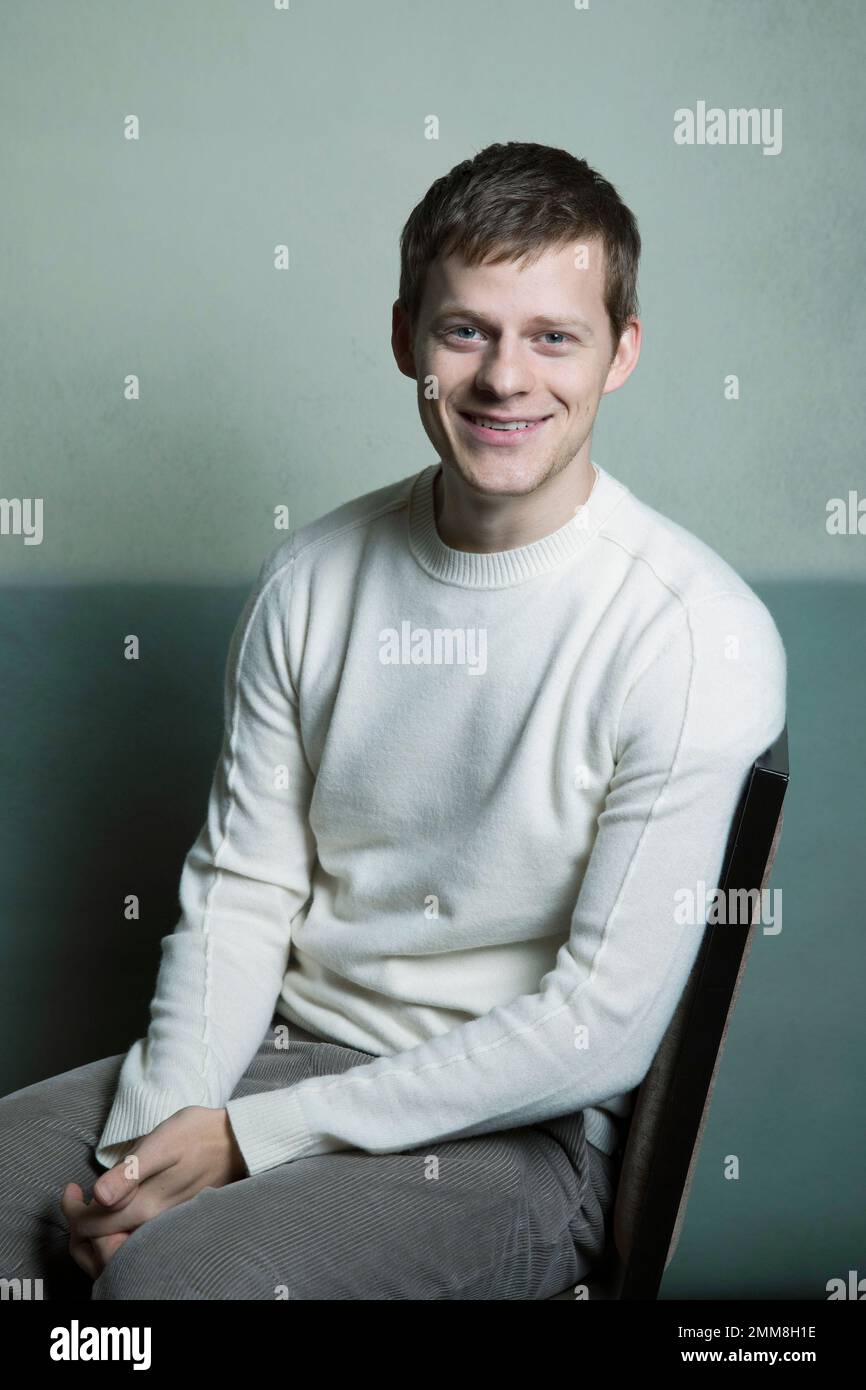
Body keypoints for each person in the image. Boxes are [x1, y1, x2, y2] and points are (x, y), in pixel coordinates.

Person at [0, 141, 786, 1300]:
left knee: (178, 1289)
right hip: (272, 1062)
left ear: (620, 352)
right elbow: (241, 892)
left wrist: (253, 1145)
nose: (503, 378)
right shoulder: (312, 577)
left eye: (552, 336)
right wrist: (149, 1149)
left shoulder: (690, 634)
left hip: (515, 1136)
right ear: (404, 339)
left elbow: (594, 1031)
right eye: (465, 329)